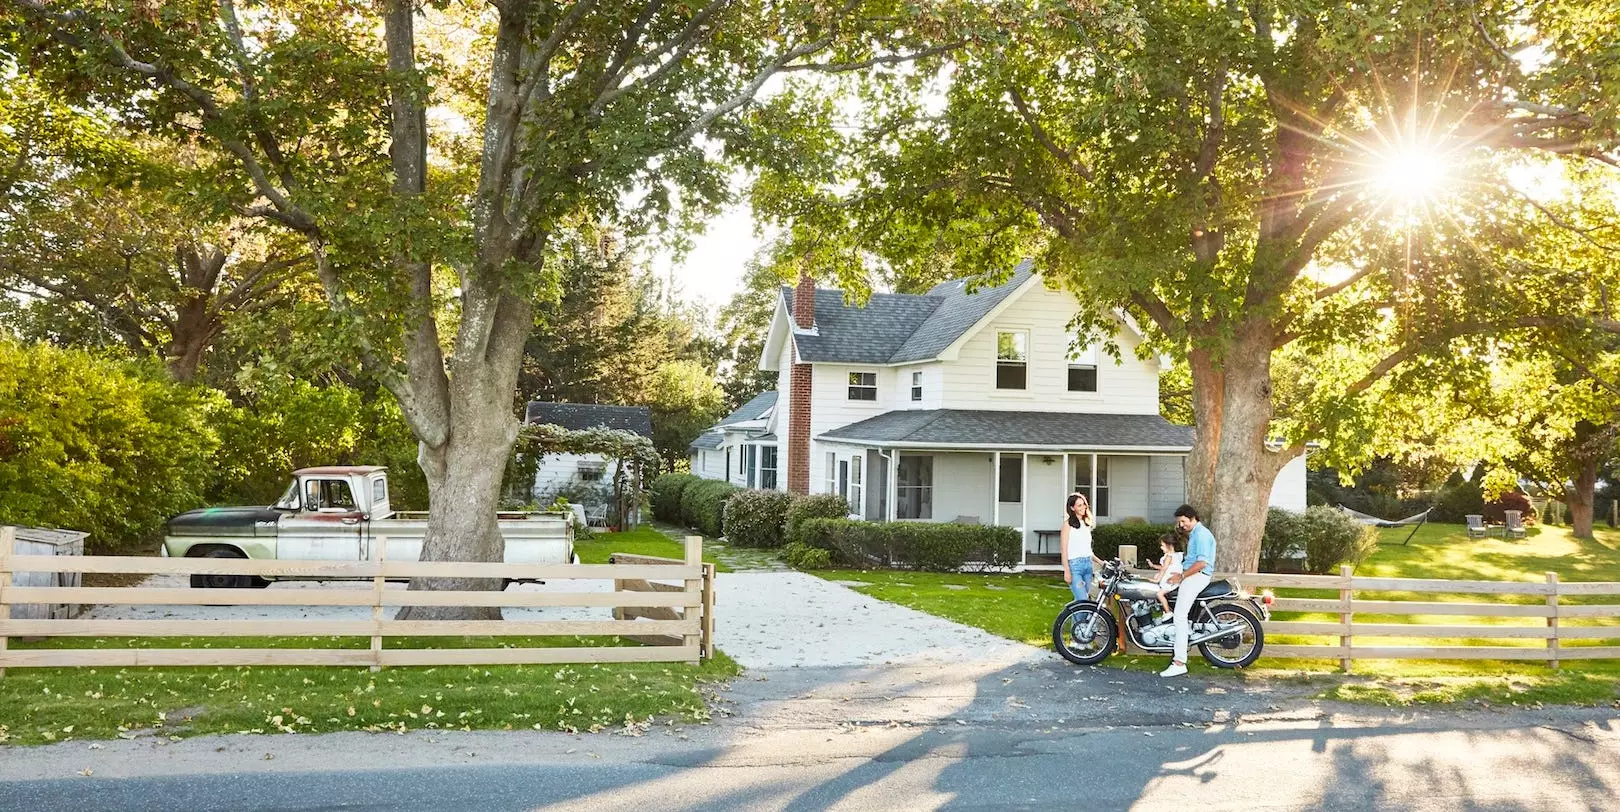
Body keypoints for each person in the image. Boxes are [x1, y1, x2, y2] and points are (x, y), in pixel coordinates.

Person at [1161, 503, 1215, 678]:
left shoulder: (1202, 535)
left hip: (1197, 576)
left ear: (1193, 519)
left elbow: (1201, 563)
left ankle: (1179, 662)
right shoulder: (1195, 534)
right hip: (1191, 575)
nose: (1181, 525)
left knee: (1179, 616)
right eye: (1179, 522)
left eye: (1183, 521)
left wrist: (1182, 576)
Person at [1060, 492, 1103, 602]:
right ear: (1072, 508)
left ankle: (1078, 620)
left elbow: (1087, 550)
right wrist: (1066, 571)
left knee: (1083, 602)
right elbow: (1064, 550)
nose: (1083, 507)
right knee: (1082, 600)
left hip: (1088, 566)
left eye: (1084, 504)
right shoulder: (1067, 525)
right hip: (1075, 567)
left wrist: (1100, 562)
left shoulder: (1086, 523)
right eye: (1079, 505)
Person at [1151, 533, 1184, 622]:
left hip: (1170, 580)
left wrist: (1157, 579)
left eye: (1162, 545)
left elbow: (1164, 569)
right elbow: (1164, 567)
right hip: (1171, 578)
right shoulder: (1175, 555)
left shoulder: (1169, 556)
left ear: (1169, 545)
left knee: (1159, 594)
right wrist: (1153, 566)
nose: (1161, 548)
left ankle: (1168, 611)